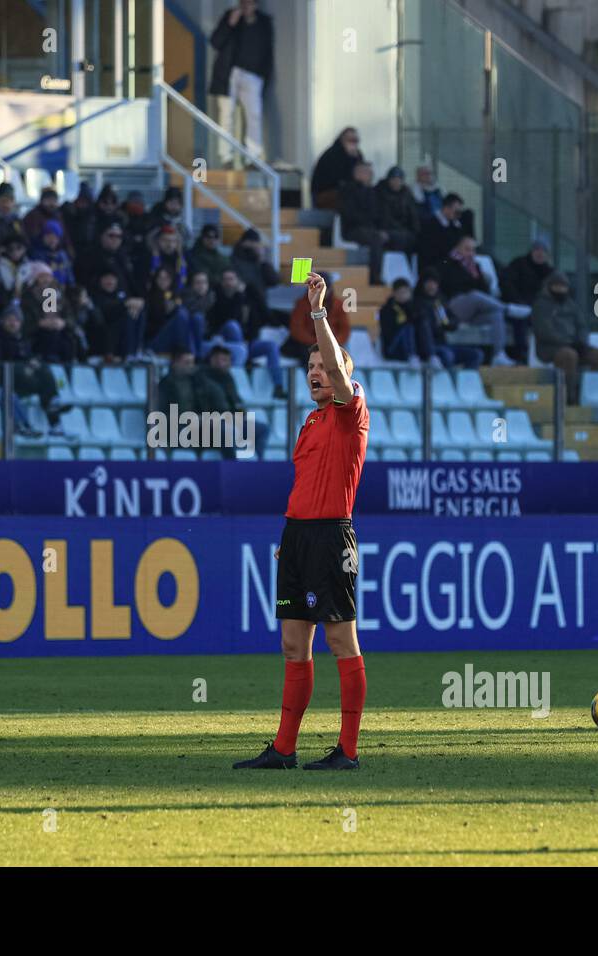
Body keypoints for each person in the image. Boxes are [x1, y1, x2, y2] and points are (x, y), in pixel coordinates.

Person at [234, 271, 368, 771]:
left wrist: (317, 313)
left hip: (332, 536)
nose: (315, 372)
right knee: (294, 643)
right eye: (309, 367)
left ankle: (348, 751)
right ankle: (284, 750)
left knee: (340, 640)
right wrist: (289, 537)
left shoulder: (348, 411)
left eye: (323, 366)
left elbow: (336, 363)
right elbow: (304, 485)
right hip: (298, 536)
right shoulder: (311, 421)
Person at [209, 0, 273, 167]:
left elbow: (268, 52)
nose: (246, 7)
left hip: (253, 75)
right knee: (226, 114)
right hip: (230, 73)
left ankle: (253, 157)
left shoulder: (264, 22)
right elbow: (215, 42)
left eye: (250, 4)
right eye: (243, 3)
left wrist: (265, 77)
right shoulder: (231, 17)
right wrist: (230, 23)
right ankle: (226, 157)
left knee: (254, 114)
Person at [529, 271, 598, 404]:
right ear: (550, 286)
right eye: (557, 286)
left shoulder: (571, 304)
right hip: (550, 348)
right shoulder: (541, 305)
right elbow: (545, 332)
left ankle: (592, 394)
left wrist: (581, 342)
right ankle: (569, 397)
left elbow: (581, 325)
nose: (561, 290)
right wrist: (569, 343)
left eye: (563, 287)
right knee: (569, 356)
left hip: (574, 345)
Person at [439, 236, 513, 366]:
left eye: (473, 250)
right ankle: (508, 308)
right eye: (467, 249)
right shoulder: (447, 263)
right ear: (458, 249)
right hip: (454, 306)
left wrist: (482, 280)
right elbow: (453, 287)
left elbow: (484, 292)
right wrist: (471, 279)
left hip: (473, 310)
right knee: (474, 295)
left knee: (496, 314)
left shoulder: (475, 267)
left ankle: (498, 354)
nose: (471, 253)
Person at [414, 270, 482, 370]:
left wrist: (447, 323)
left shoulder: (440, 301)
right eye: (428, 282)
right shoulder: (417, 303)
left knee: (476, 354)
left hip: (443, 344)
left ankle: (464, 383)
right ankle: (445, 383)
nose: (431, 286)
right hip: (428, 348)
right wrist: (437, 324)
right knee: (447, 355)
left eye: (434, 283)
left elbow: (453, 321)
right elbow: (423, 328)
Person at [286, 271, 349, 365]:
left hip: (331, 345)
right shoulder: (302, 304)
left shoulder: (338, 304)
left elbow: (344, 329)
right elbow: (297, 329)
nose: (322, 293)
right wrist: (317, 342)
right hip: (308, 345)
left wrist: (331, 342)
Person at [338, 162, 386, 285]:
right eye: (367, 172)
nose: (371, 175)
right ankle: (374, 277)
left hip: (369, 229)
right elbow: (349, 214)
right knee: (376, 238)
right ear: (357, 173)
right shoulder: (347, 190)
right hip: (352, 229)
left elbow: (378, 213)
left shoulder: (372, 191)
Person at [375, 166, 422, 259]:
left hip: (404, 230)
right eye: (394, 179)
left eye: (399, 180)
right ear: (388, 180)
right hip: (386, 229)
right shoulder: (379, 193)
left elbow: (413, 215)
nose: (396, 182)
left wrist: (416, 231)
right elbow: (383, 216)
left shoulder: (406, 193)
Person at [310, 128, 363, 210]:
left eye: (355, 140)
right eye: (350, 140)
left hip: (345, 192)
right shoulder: (332, 154)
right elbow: (338, 179)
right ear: (342, 140)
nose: (353, 143)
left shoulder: (357, 155)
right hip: (326, 192)